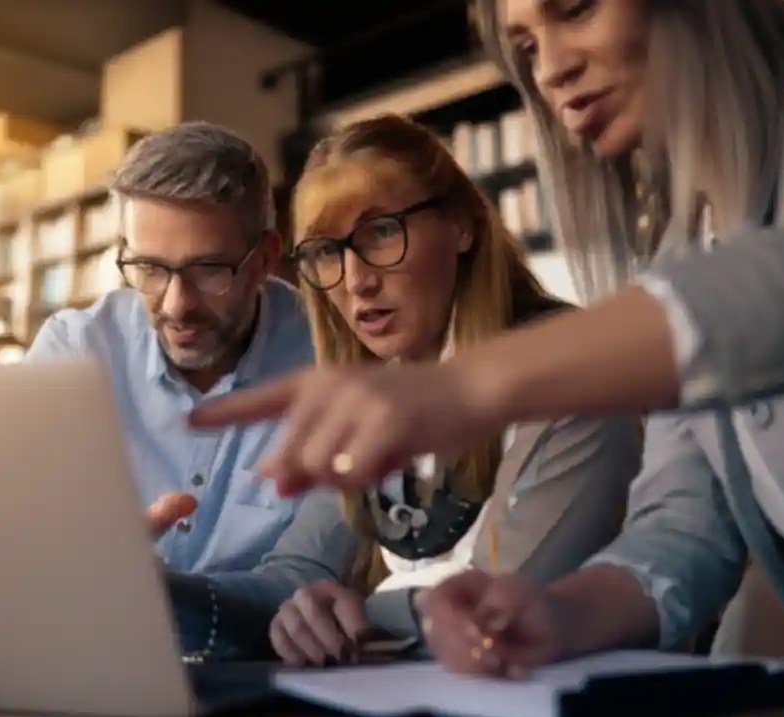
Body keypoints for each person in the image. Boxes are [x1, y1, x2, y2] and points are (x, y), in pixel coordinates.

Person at [190, 0, 784, 690]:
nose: (549, 69)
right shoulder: (684, 256)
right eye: (524, 45)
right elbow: (684, 532)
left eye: (576, 8)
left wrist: (471, 384)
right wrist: (557, 616)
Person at [166, 115, 640, 666]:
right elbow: (295, 578)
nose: (355, 279)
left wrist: (353, 616)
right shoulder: (370, 399)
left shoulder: (563, 366)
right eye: (325, 251)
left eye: (382, 232)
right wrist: (160, 594)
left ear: (461, 224)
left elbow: (497, 607)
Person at [25, 121, 315, 574]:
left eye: (208, 270)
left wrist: (163, 595)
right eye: (150, 268)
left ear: (263, 260)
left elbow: (304, 576)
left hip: (259, 644)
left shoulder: (329, 363)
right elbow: (18, 532)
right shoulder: (76, 352)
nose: (177, 305)